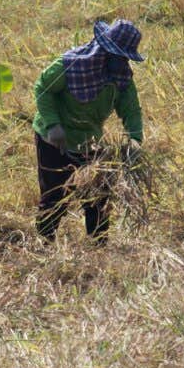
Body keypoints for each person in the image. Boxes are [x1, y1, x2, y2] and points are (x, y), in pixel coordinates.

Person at [31, 19, 145, 241]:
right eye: (118, 56)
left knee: (98, 196)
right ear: (105, 50)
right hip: (54, 139)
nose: (122, 62)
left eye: (125, 58)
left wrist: (135, 139)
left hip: (89, 141)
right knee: (55, 195)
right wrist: (53, 125)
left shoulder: (121, 77)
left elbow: (131, 110)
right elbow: (43, 88)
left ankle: (98, 246)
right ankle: (44, 244)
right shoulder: (71, 65)